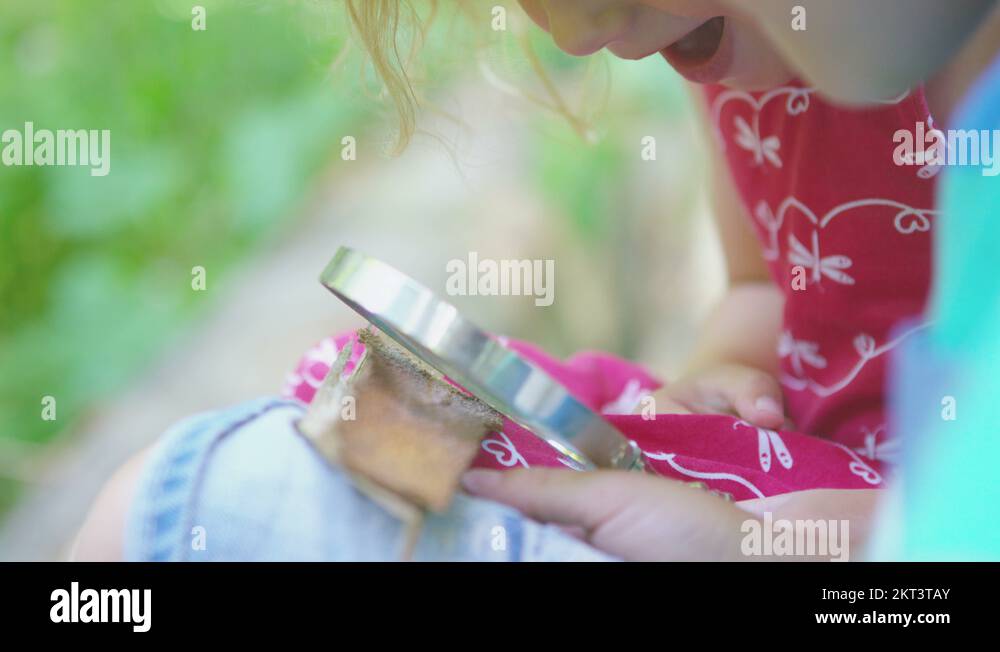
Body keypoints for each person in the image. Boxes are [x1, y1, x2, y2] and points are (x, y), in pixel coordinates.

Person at [75, 0, 1000, 561]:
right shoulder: (745, 53)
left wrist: (762, 541)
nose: (586, 31)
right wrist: (718, 374)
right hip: (788, 472)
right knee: (420, 409)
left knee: (160, 510)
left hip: (862, 516)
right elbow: (760, 294)